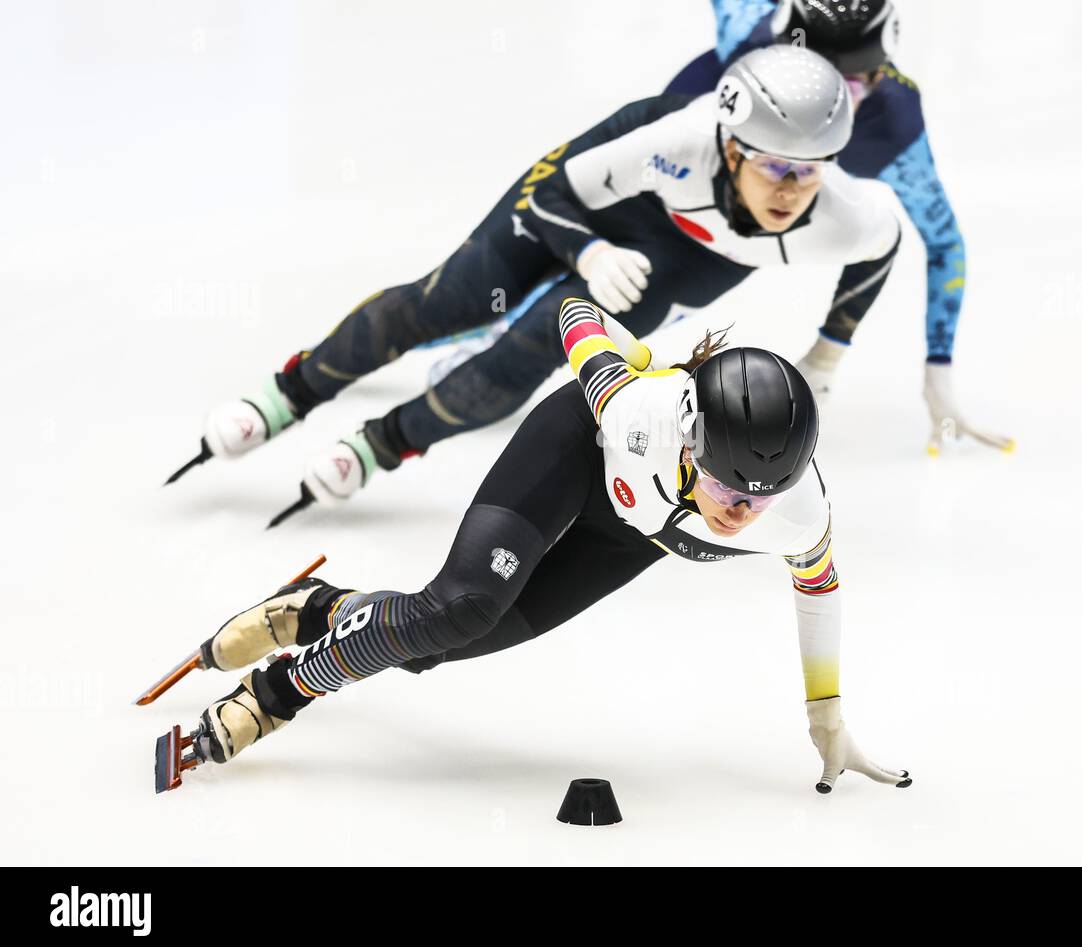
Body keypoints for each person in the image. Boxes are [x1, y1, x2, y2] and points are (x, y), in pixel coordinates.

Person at [168, 297, 911, 795]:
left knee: (430, 644)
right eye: (725, 487)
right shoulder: (634, 414)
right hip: (574, 454)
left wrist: (827, 714)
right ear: (690, 438)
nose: (740, 514)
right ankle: (276, 696)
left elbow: (820, 589)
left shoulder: (800, 511)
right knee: (461, 607)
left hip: (626, 539)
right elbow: (576, 313)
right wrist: (635, 353)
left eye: (760, 500)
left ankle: (313, 611)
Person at [167, 45, 902, 522]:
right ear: (730, 144)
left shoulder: (840, 214)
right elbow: (553, 195)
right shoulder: (673, 138)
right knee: (446, 302)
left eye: (809, 171)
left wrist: (828, 353)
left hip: (680, 264)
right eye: (774, 166)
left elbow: (886, 246)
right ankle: (287, 394)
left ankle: (380, 446)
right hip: (584, 206)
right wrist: (586, 254)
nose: (791, 190)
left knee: (530, 350)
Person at [667, 0, 1013, 454]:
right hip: (700, 143)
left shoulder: (894, 123)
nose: (826, 107)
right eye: (809, 75)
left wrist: (939, 374)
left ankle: (822, 366)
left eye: (849, 84)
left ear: (878, 74)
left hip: (744, 198)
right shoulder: (748, 37)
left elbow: (944, 243)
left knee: (876, 235)